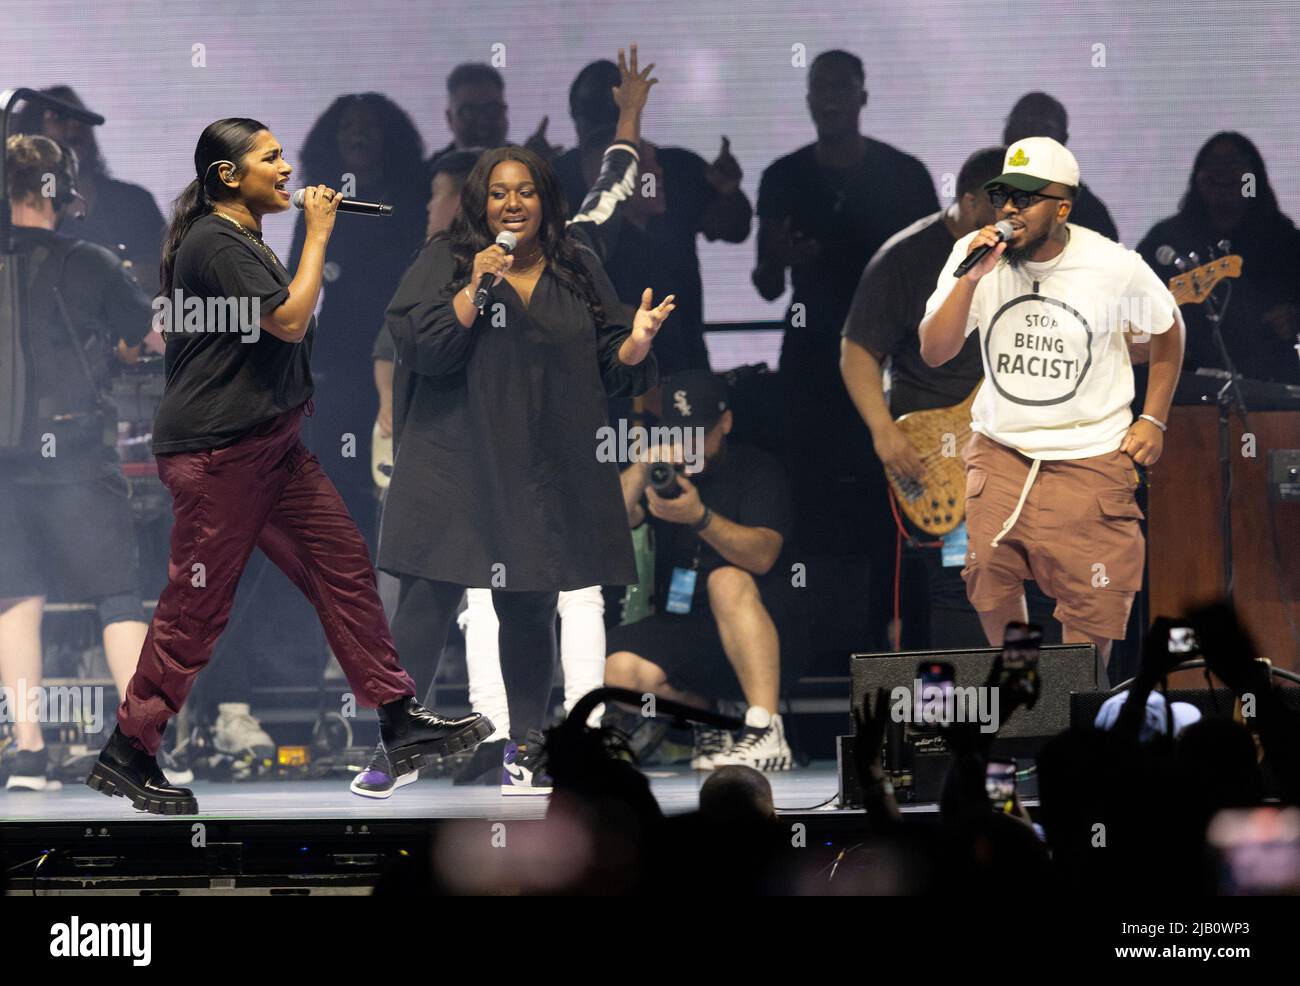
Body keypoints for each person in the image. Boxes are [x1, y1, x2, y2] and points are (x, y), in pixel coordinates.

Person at [84, 118, 490, 815]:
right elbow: (291, 320)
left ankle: (397, 717)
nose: (285, 169)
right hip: (219, 452)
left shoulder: (241, 239)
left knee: (343, 563)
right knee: (197, 607)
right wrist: (322, 232)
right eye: (269, 158)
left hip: (269, 445)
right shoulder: (215, 239)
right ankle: (129, 751)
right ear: (227, 177)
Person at [377, 143, 672, 795]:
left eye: (526, 191)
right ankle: (398, 741)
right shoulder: (445, 260)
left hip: (544, 462)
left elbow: (611, 360)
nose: (513, 203)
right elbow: (420, 345)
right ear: (481, 201)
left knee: (531, 604)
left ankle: (528, 745)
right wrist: (476, 286)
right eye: (500, 192)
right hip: (457, 458)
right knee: (429, 594)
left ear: (546, 200)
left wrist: (638, 340)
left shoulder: (578, 264)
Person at [919, 138, 1184, 668]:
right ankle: (1023, 681)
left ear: (1062, 207)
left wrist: (1153, 419)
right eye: (1002, 196)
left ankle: (1074, 717)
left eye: (1026, 198)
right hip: (1001, 449)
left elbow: (1169, 329)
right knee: (988, 577)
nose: (1010, 209)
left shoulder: (1112, 265)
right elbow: (934, 351)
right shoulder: (975, 255)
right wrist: (970, 279)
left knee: (1092, 606)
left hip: (1089, 456)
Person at [752, 48, 938, 634]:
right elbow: (763, 285)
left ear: (863, 95)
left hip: (889, 361)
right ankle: (806, 635)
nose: (829, 96)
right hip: (810, 361)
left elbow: (937, 276)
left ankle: (893, 630)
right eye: (819, 87)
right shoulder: (782, 177)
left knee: (889, 493)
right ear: (808, 99)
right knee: (807, 492)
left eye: (841, 85)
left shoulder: (905, 175)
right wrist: (776, 261)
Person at [0, 134, 162, 791]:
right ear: (60, 193)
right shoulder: (91, 261)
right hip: (73, 451)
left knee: (15, 597)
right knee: (116, 593)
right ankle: (137, 751)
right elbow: (148, 338)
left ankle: (29, 753)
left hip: (5, 457)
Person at [605, 370, 807, 773]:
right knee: (617, 672)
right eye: (678, 432)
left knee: (726, 580)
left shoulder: (756, 470)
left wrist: (700, 518)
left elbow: (764, 555)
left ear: (725, 423)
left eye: (698, 432)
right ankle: (718, 721)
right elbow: (607, 526)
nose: (689, 444)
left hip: (762, 622)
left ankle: (767, 729)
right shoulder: (665, 472)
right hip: (688, 624)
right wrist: (644, 465)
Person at [286, 93, 429, 549]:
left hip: (407, 349)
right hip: (341, 358)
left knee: (406, 471)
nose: (359, 135)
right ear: (333, 140)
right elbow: (294, 285)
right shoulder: (320, 206)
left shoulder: (413, 202)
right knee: (342, 474)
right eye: (349, 127)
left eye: (369, 126)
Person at [554, 57, 753, 381]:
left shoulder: (676, 168)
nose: (653, 172)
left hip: (681, 359)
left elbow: (735, 228)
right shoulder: (556, 182)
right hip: (596, 373)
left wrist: (727, 191)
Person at [1137, 131, 1300, 384]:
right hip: (1184, 383)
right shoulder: (1167, 239)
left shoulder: (1284, 240)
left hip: (1272, 386)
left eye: (1236, 166)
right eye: (1212, 166)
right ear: (1198, 179)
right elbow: (1134, 301)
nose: (1223, 176)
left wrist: (1294, 318)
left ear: (1253, 178)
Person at [16, 86, 166, 295]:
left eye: (81, 117)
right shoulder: (18, 211)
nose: (75, 124)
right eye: (59, 117)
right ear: (33, 135)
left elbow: (166, 273)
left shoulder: (134, 201)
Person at [1001, 92, 1118, 241]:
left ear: (1063, 139)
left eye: (1044, 128)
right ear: (1006, 133)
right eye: (1025, 125)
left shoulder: (1088, 210)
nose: (1032, 134)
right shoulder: (981, 193)